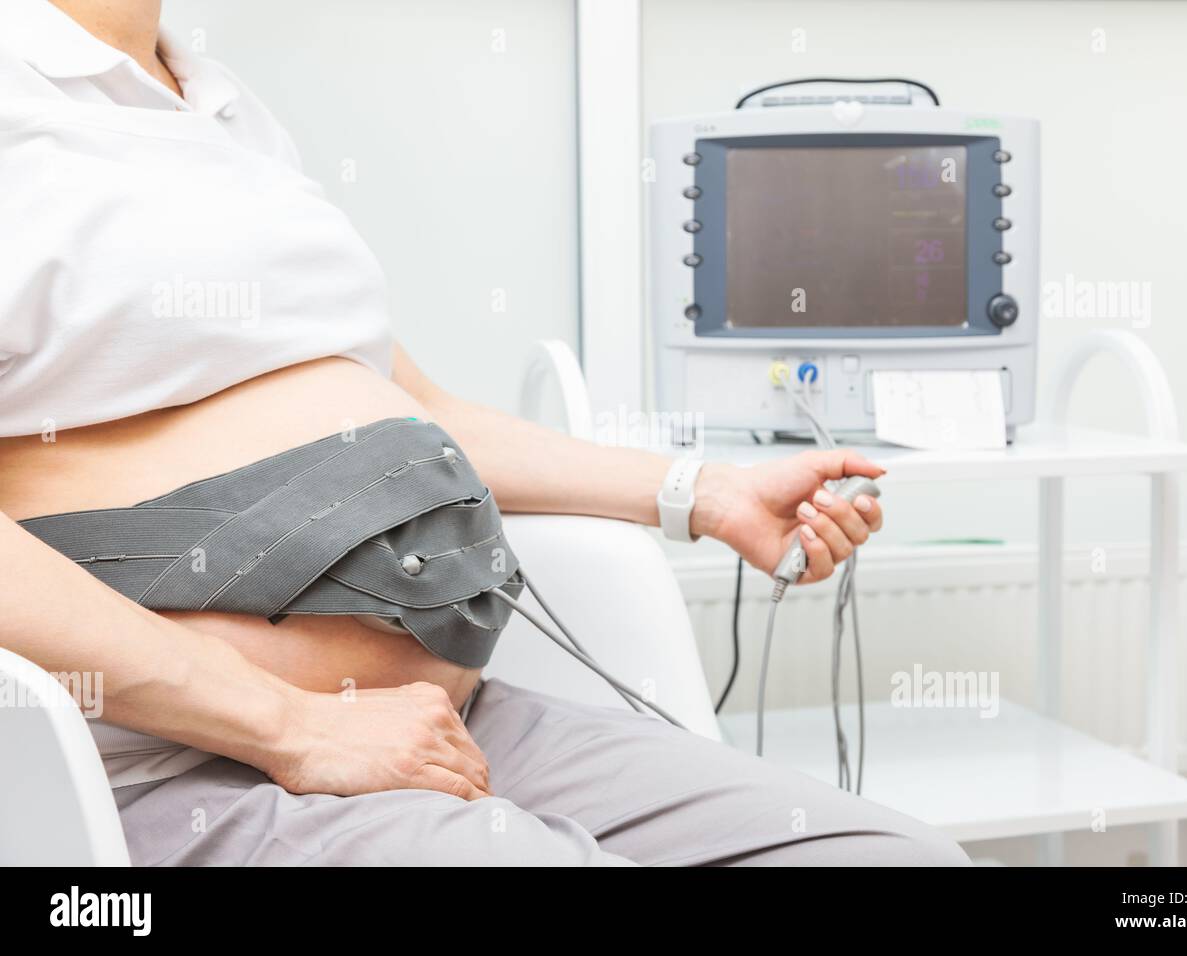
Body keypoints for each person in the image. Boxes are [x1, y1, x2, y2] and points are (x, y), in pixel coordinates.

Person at [0, 0, 969, 866]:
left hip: (441, 721)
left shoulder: (224, 111)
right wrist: (292, 723)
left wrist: (697, 489)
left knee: (892, 853)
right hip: (166, 763)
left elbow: (426, 410)